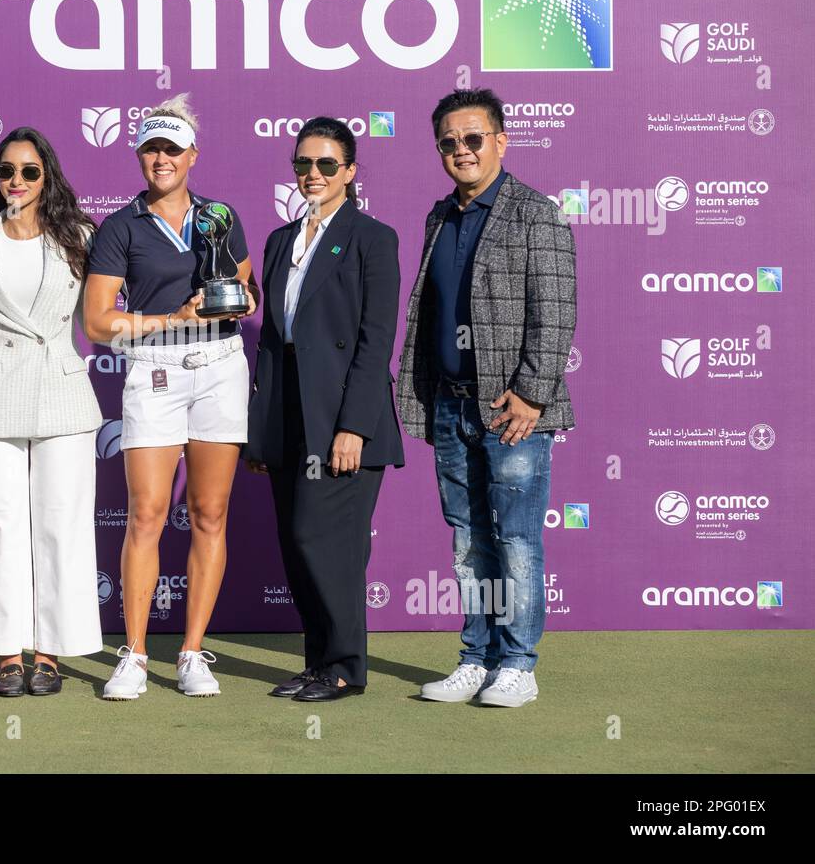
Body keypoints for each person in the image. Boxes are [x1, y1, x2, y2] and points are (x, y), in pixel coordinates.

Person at [396, 88, 577, 708]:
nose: (461, 150)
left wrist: (531, 393)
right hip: (451, 404)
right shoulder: (438, 216)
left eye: (473, 138)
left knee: (517, 537)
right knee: (469, 539)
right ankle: (477, 658)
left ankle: (519, 664)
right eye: (449, 141)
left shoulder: (536, 213)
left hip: (512, 409)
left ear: (501, 140)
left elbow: (554, 313)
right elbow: (428, 313)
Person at [83, 93, 257, 700]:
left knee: (209, 513)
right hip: (154, 366)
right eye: (151, 148)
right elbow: (99, 323)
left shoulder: (221, 217)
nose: (161, 158)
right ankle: (133, 654)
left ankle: (190, 653)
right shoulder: (120, 226)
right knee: (147, 513)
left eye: (172, 149)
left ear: (192, 156)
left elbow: (246, 287)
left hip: (219, 364)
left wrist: (240, 299)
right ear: (138, 155)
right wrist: (167, 320)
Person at [244, 117, 404, 702]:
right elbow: (271, 343)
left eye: (326, 164)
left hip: (342, 418)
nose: (313, 174)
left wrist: (354, 426)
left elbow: (375, 337)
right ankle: (318, 663)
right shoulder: (280, 240)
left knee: (325, 541)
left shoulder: (372, 237)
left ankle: (344, 667)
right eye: (303, 164)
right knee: (296, 542)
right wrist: (261, 432)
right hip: (289, 415)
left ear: (350, 172)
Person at [0, 127, 104, 697]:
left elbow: (102, 318)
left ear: (48, 178)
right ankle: (8, 652)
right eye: (7, 171)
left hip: (62, 392)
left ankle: (52, 652)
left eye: (29, 172)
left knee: (61, 524)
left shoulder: (81, 237)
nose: (17, 181)